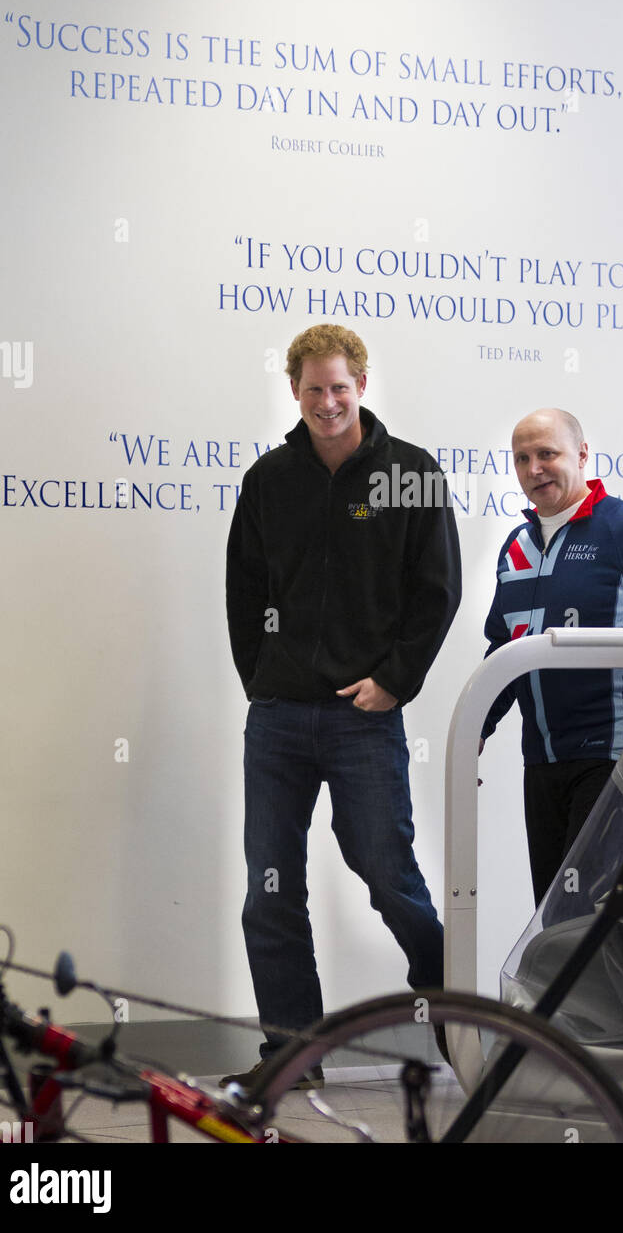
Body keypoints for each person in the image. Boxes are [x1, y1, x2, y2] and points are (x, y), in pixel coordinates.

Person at [223, 324, 461, 1089]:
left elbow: (438, 592)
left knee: (388, 874)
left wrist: (395, 679)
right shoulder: (270, 481)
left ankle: (458, 1011)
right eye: (313, 389)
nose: (328, 402)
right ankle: (292, 1053)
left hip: (365, 715)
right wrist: (263, 677)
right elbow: (244, 591)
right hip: (280, 719)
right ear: (293, 389)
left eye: (340, 387)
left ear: (361, 385)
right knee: (269, 890)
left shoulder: (412, 473)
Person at [479, 408, 623, 906]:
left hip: (613, 754)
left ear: (582, 455)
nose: (534, 468)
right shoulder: (515, 546)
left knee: (592, 916)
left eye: (547, 454)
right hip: (540, 760)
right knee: (553, 911)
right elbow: (504, 649)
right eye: (522, 458)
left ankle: (611, 989)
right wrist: (478, 726)